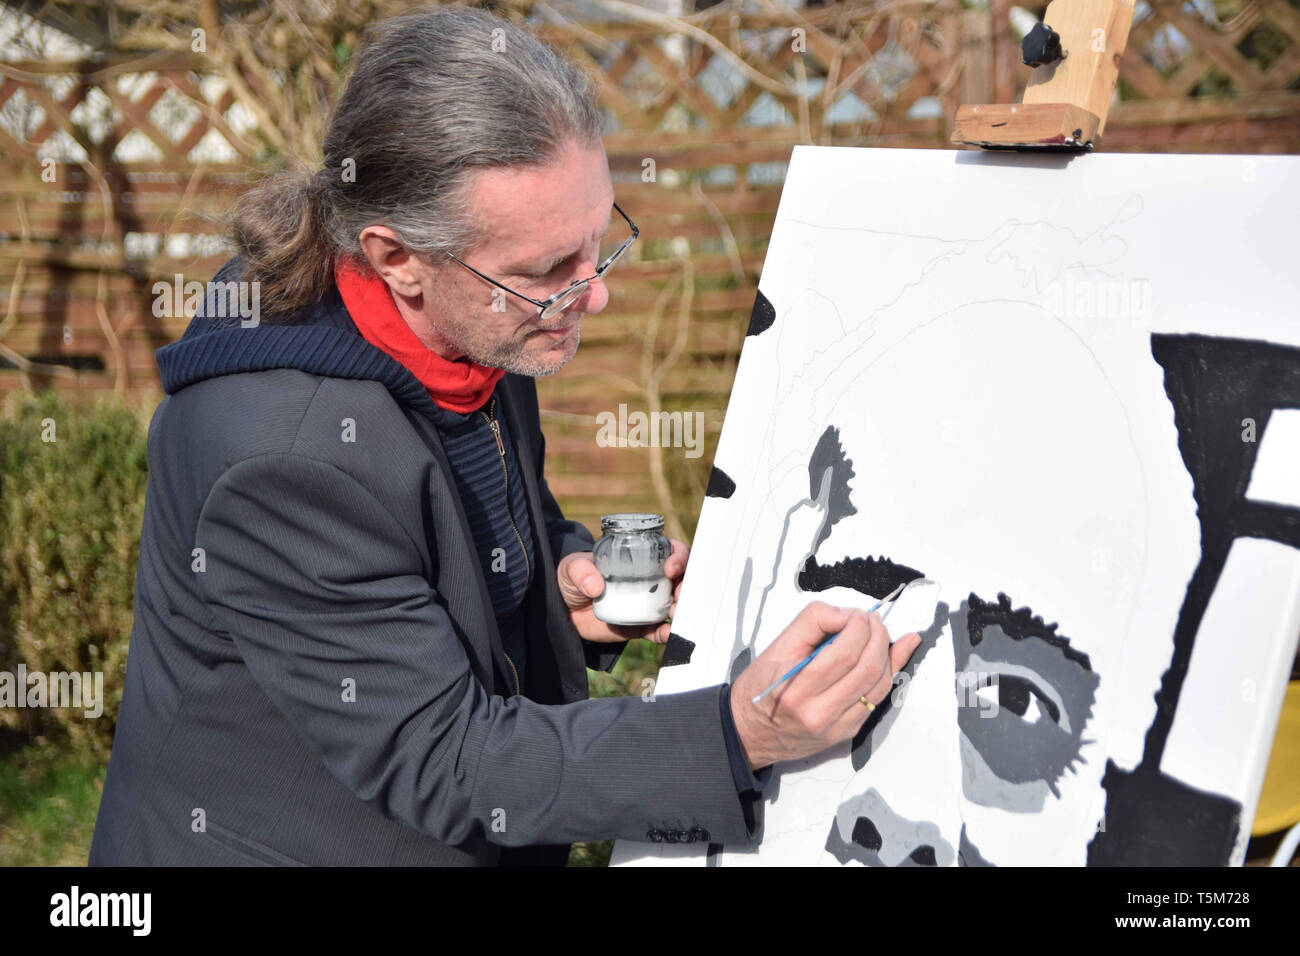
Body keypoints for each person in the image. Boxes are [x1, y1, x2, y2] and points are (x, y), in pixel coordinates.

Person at [87, 6, 921, 866]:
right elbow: (446, 759)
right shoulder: (282, 460)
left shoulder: (471, 332)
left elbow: (461, 542)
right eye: (546, 271)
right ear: (395, 256)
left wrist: (560, 588)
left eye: (599, 243)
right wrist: (736, 733)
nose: (592, 294)